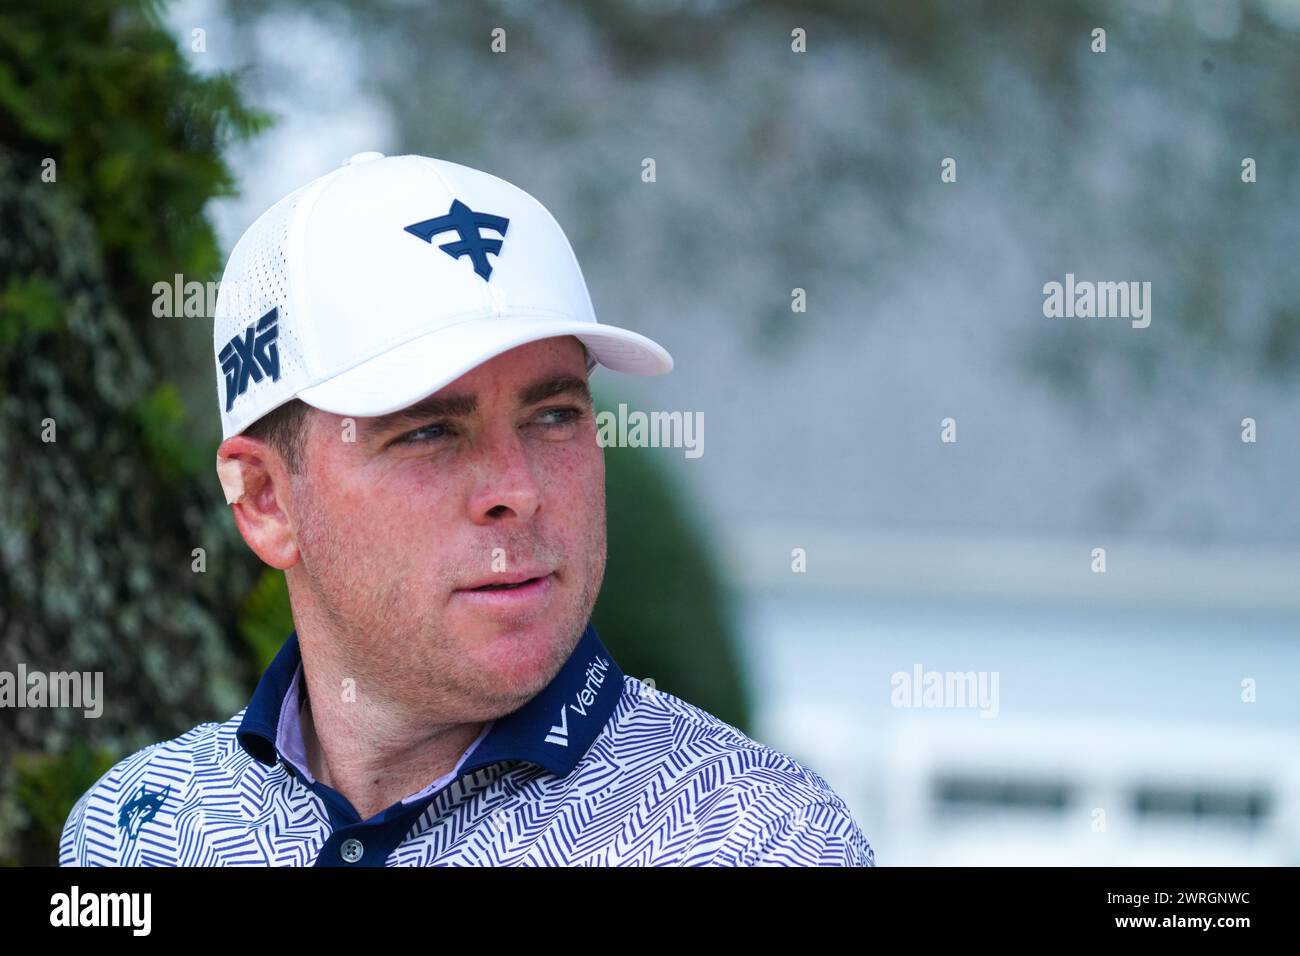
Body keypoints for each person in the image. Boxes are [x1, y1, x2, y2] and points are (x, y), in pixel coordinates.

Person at [59, 152, 874, 866]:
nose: (517, 490)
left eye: (554, 414)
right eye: (429, 433)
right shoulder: (137, 830)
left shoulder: (754, 838)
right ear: (267, 501)